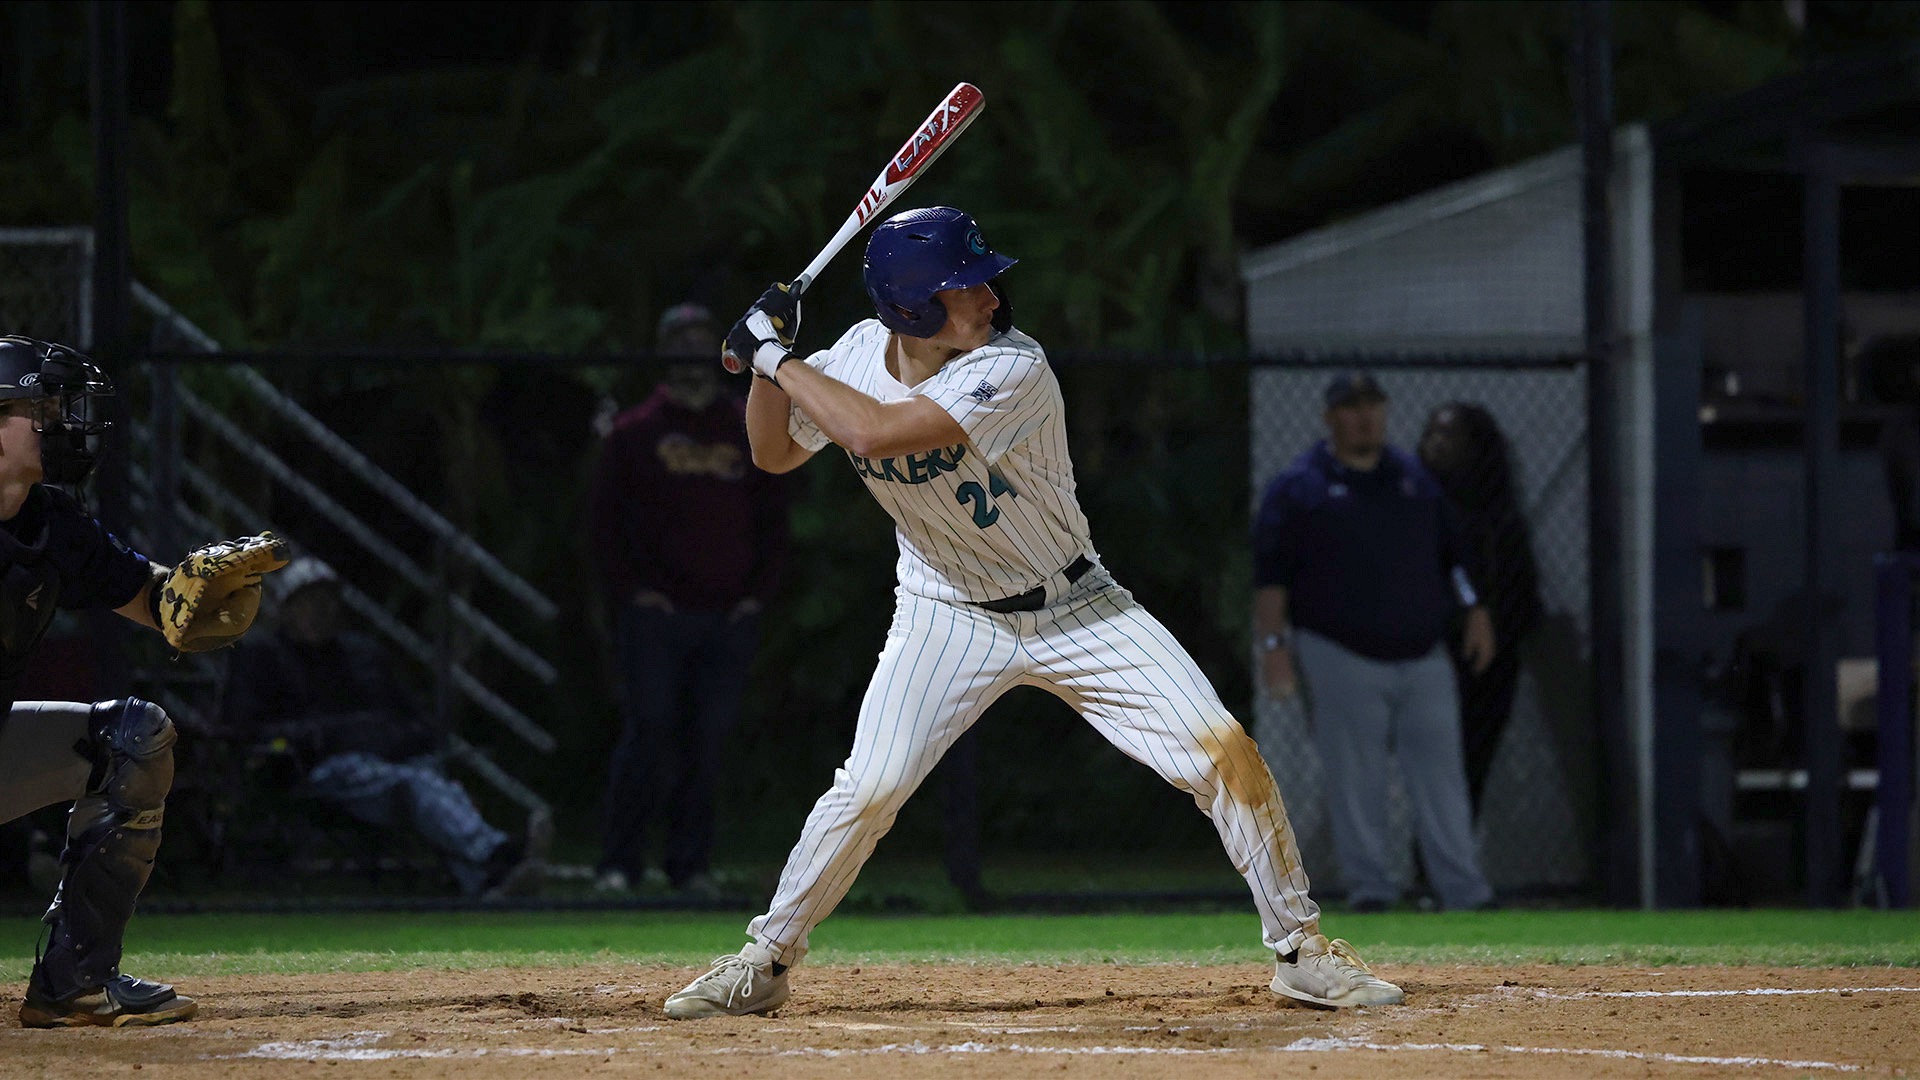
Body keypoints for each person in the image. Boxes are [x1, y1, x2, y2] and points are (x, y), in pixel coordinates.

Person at [661, 206, 1403, 1019]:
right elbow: (773, 453)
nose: (988, 296)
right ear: (909, 306)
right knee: (868, 786)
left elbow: (873, 436)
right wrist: (770, 371)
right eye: (962, 286)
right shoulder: (849, 362)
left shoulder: (1014, 366)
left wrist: (772, 351)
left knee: (1223, 752)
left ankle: (1300, 952)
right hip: (946, 611)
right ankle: (764, 962)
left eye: (982, 279)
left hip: (1080, 608)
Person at [0, 334, 266, 1027]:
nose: (62, 422)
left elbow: (153, 600)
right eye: (43, 407)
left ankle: (74, 982)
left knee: (134, 738)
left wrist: (192, 603)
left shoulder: (51, 524)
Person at [1252, 372, 1497, 915]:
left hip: (1422, 652)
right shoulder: (1300, 486)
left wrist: (1476, 611)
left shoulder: (1414, 479)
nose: (1364, 417)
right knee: (1355, 778)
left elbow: (1454, 557)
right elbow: (1271, 579)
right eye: (1350, 407)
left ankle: (1463, 891)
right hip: (1338, 650)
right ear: (1330, 418)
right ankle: (1373, 890)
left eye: (1372, 406)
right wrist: (1274, 647)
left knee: (1442, 778)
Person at [586, 302, 789, 898]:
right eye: (680, 339)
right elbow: (602, 528)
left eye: (702, 340)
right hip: (657, 615)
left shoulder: (742, 427)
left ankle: (688, 868)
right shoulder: (634, 433)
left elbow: (774, 521)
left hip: (727, 615)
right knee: (648, 731)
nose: (692, 350)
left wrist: (757, 597)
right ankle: (618, 865)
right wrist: (634, 594)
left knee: (708, 741)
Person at [220, 557, 551, 901]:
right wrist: (326, 735)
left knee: (434, 781)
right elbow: (246, 727)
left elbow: (412, 717)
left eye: (328, 600)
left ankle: (489, 883)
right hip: (315, 769)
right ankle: (499, 856)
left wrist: (393, 737)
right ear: (286, 609)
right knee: (415, 784)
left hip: (387, 762)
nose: (321, 610)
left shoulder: (362, 655)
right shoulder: (263, 657)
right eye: (309, 601)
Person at [1416, 401, 1544, 818]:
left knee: (1469, 770)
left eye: (1449, 435)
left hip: (1487, 668)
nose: (1436, 444)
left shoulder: (1498, 521)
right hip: (1429, 663)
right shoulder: (1417, 510)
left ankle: (1442, 871)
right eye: (1432, 433)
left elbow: (1518, 593)